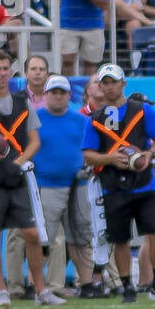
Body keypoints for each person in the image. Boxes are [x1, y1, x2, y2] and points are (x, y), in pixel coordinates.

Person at [0, 50, 66, 308]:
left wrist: (18, 161)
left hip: (17, 176)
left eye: (5, 68)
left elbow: (35, 141)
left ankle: (41, 291)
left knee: (31, 233)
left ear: (11, 71)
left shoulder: (23, 104)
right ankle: (1, 290)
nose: (1, 73)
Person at [80, 63, 155, 304]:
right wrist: (110, 158)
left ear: (123, 84)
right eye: (106, 83)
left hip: (145, 184)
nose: (111, 87)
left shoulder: (142, 110)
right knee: (120, 239)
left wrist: (149, 155)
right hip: (113, 185)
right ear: (100, 87)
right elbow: (88, 154)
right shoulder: (95, 118)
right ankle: (127, 286)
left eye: (115, 82)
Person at [21, 74, 92, 297]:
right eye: (54, 92)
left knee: (80, 236)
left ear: (69, 96)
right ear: (46, 95)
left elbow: (89, 149)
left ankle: (88, 284)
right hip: (47, 185)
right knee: (44, 238)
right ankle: (36, 285)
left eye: (62, 93)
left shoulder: (81, 121)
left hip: (78, 185)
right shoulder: (34, 119)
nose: (58, 97)